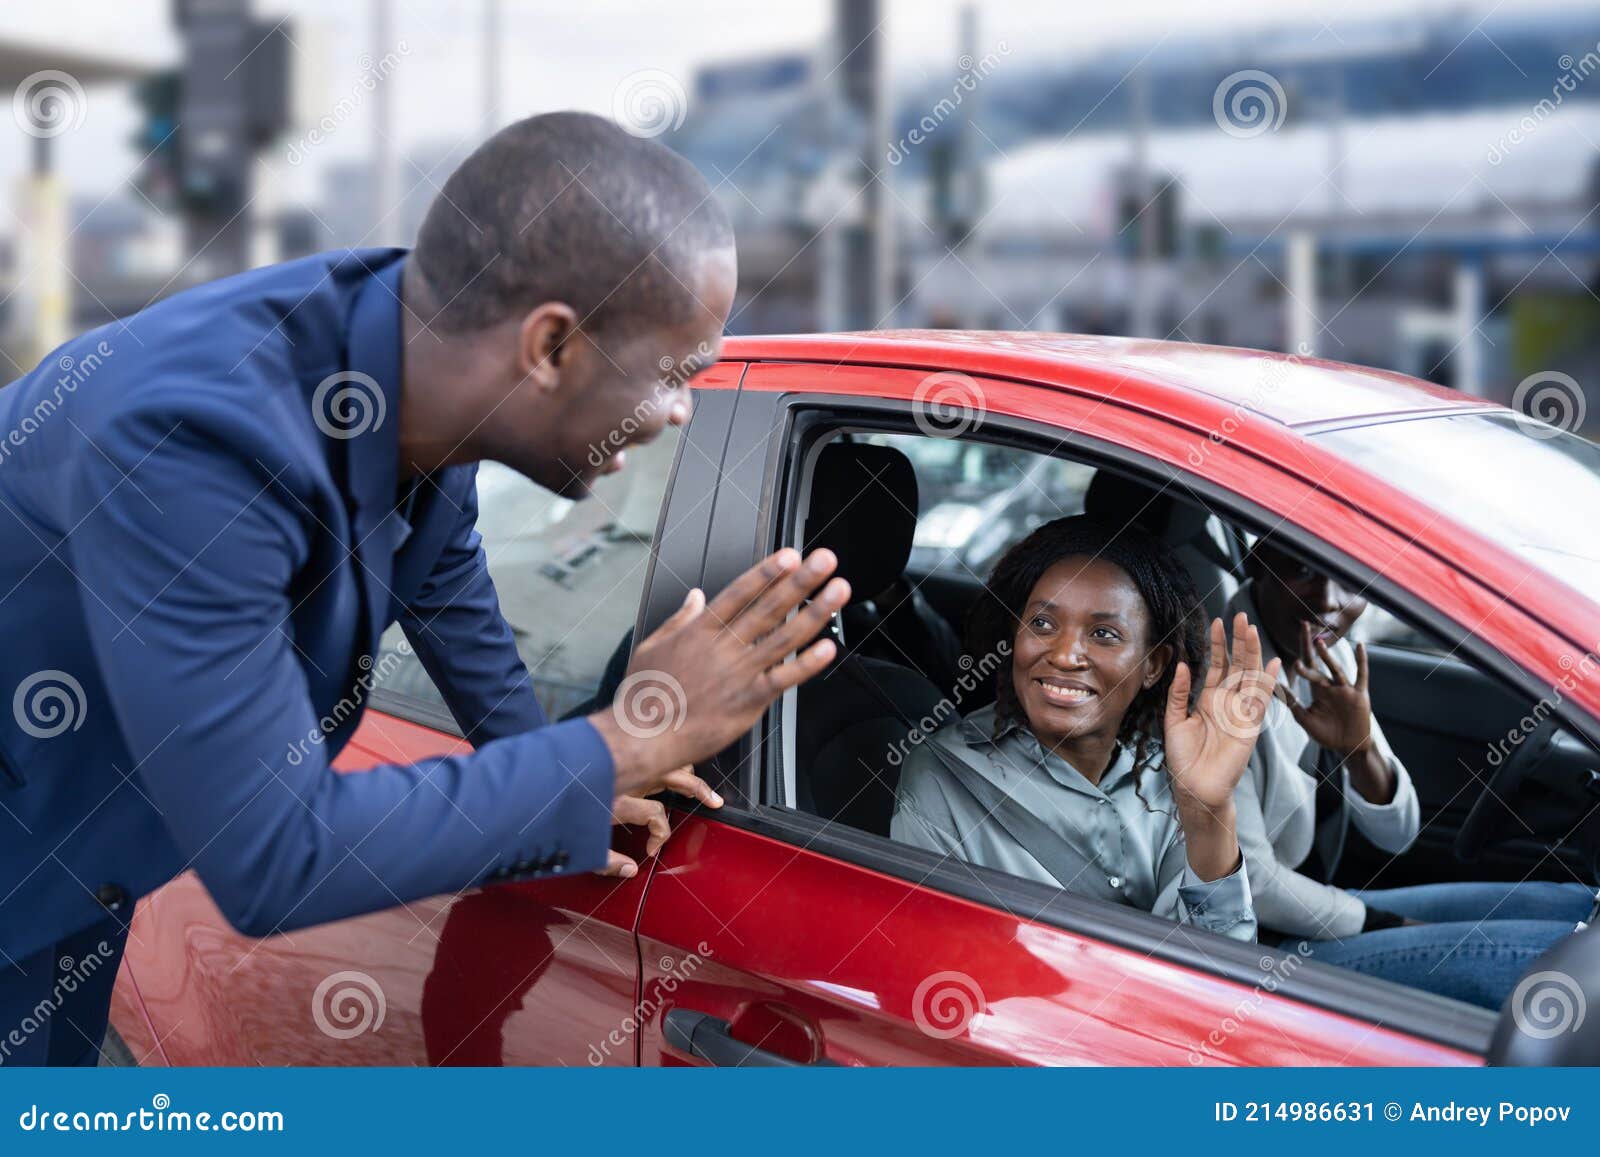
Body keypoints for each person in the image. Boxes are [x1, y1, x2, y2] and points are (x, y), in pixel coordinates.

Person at [0, 112, 851, 1065]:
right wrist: (626, 739)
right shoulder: (193, 442)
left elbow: (454, 603)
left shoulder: (420, 356)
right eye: (671, 375)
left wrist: (571, 772)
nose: (680, 412)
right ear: (551, 348)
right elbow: (271, 856)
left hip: (73, 867)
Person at [1227, 532, 1591, 1007]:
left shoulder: (1325, 651)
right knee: (1563, 965)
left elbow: (1397, 835)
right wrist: (1385, 923)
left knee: (1571, 904)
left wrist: (1360, 752)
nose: (1331, 599)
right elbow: (1251, 884)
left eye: (1349, 576)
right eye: (1303, 570)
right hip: (1254, 950)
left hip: (1305, 902)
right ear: (1258, 561)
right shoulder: (1221, 683)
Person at [892, 516, 1282, 943]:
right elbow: (937, 956)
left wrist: (1209, 815)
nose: (1064, 655)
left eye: (1103, 633)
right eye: (1042, 624)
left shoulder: (1170, 777)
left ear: (1152, 665)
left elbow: (1219, 968)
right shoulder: (944, 777)